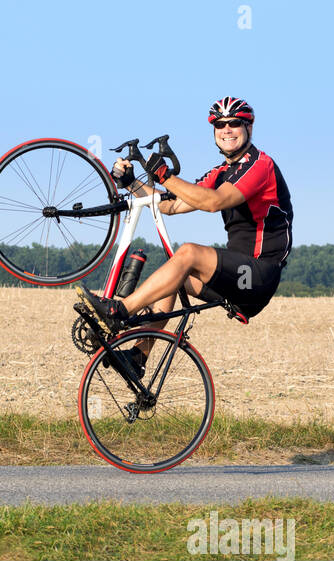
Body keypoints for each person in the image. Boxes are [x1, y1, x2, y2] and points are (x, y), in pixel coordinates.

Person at [76, 97, 294, 367]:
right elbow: (173, 205)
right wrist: (131, 183)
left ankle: (118, 311)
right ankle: (137, 357)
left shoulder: (260, 166)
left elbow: (213, 202)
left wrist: (165, 175)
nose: (226, 129)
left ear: (249, 127)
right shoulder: (222, 172)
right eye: (220, 124)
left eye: (234, 123)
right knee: (173, 273)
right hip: (236, 276)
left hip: (257, 276)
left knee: (188, 253)